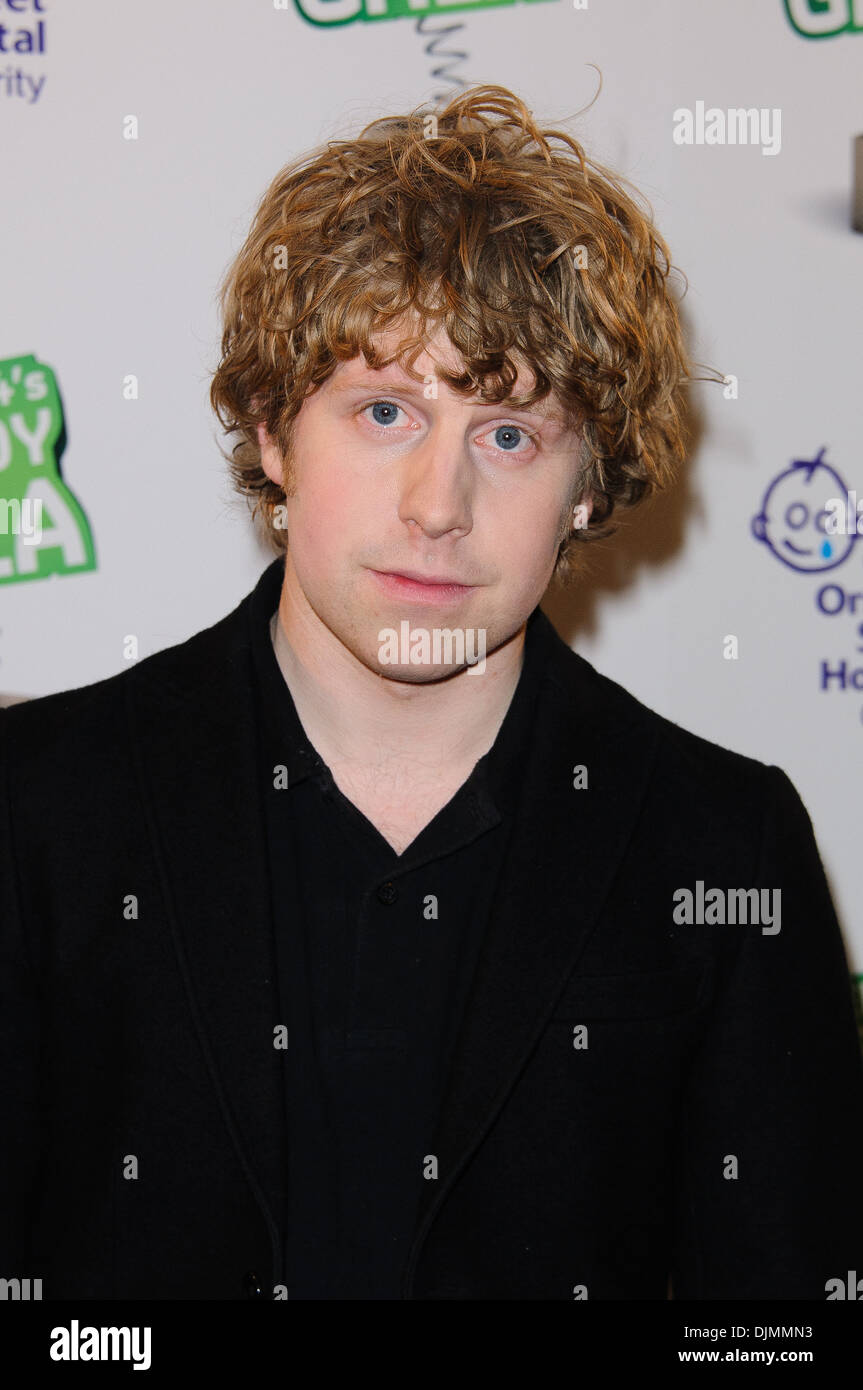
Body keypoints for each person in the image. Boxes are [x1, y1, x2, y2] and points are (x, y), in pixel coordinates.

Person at [1, 83, 861, 1302]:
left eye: (507, 433)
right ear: (271, 435)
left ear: (586, 485)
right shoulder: (40, 812)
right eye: (385, 410)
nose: (436, 503)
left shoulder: (725, 843)